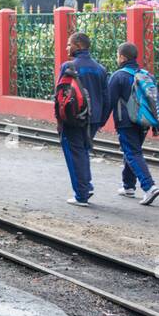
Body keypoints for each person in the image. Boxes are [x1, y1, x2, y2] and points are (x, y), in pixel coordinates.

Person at [56, 32, 109, 207]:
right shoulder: (100, 68)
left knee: (74, 154)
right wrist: (101, 120)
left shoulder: (68, 66)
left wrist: (59, 120)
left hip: (73, 119)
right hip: (93, 119)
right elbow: (106, 97)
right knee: (83, 151)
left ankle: (81, 194)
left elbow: (59, 95)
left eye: (69, 44)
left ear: (78, 45)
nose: (67, 48)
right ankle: (87, 185)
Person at [106, 42, 159, 205]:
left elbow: (110, 101)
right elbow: (155, 101)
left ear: (122, 57)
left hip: (126, 122)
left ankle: (149, 187)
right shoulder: (147, 75)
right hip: (144, 122)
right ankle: (128, 186)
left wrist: (99, 122)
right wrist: (157, 124)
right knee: (132, 151)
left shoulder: (118, 76)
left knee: (132, 153)